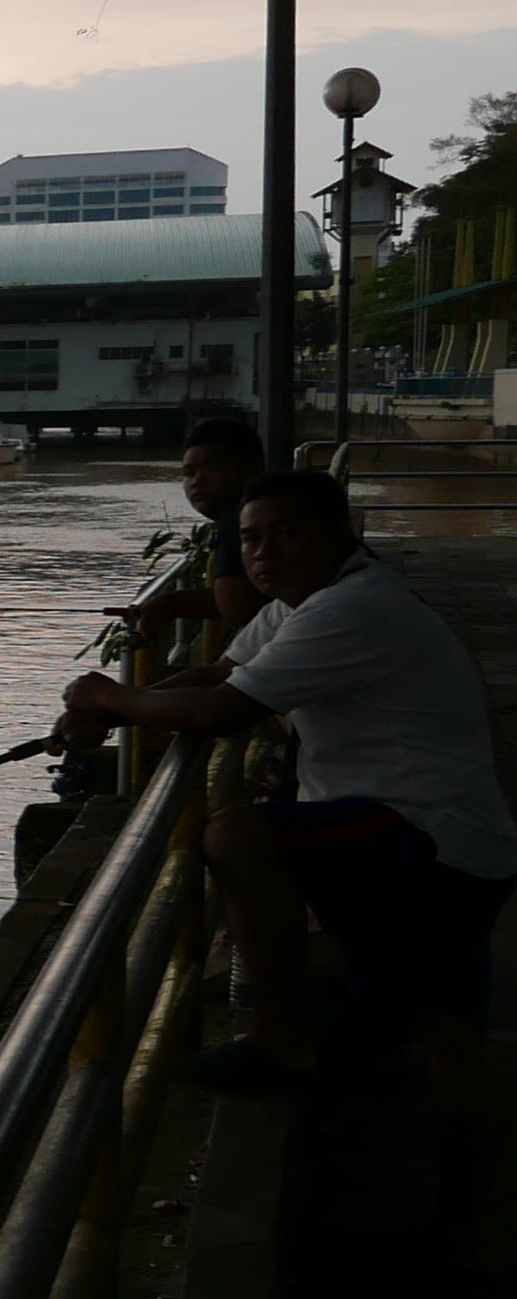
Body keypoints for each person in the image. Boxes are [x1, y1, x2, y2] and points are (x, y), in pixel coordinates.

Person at [59, 468, 517, 1124]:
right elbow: (221, 671)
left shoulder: (351, 608)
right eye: (249, 540)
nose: (263, 553)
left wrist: (106, 696)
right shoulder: (301, 605)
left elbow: (221, 711)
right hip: (402, 827)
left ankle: (280, 1041)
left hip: (431, 839)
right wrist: (121, 714)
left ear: (337, 534)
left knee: (236, 835)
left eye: (286, 534)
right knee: (434, 1032)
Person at [99, 414, 270, 652]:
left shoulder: (239, 519)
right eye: (189, 473)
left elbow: (236, 606)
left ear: (251, 468)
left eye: (212, 468)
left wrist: (174, 604)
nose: (198, 480)